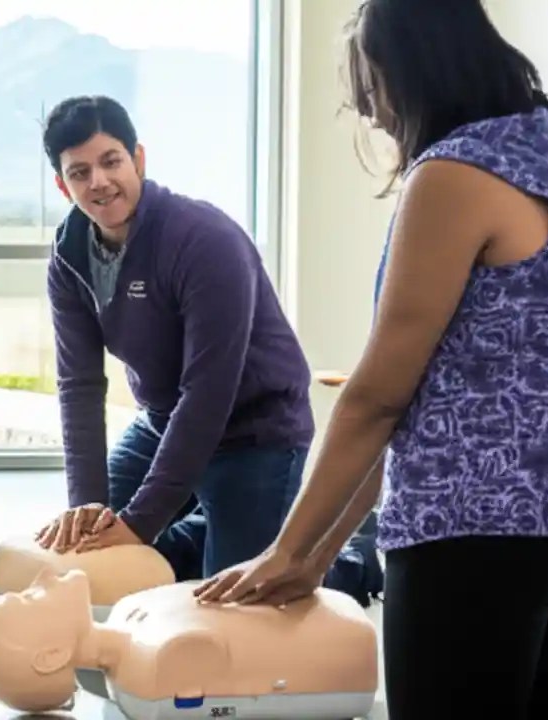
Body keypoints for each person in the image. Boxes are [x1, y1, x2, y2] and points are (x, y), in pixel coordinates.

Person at [194, 1, 548, 716]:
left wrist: (287, 549)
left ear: (417, 70)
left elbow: (381, 397)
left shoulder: (455, 174)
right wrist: (318, 554)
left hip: (471, 532)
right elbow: (419, 404)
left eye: (373, 91)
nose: (371, 115)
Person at [33, 94, 383, 607]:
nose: (99, 182)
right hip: (162, 421)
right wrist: (88, 505)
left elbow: (208, 392)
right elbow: (79, 386)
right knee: (91, 546)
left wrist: (140, 523)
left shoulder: (202, 239)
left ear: (139, 159)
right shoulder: (69, 259)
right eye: (80, 172)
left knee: (245, 597)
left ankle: (352, 557)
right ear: (64, 186)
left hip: (255, 430)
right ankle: (211, 524)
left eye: (111, 161)